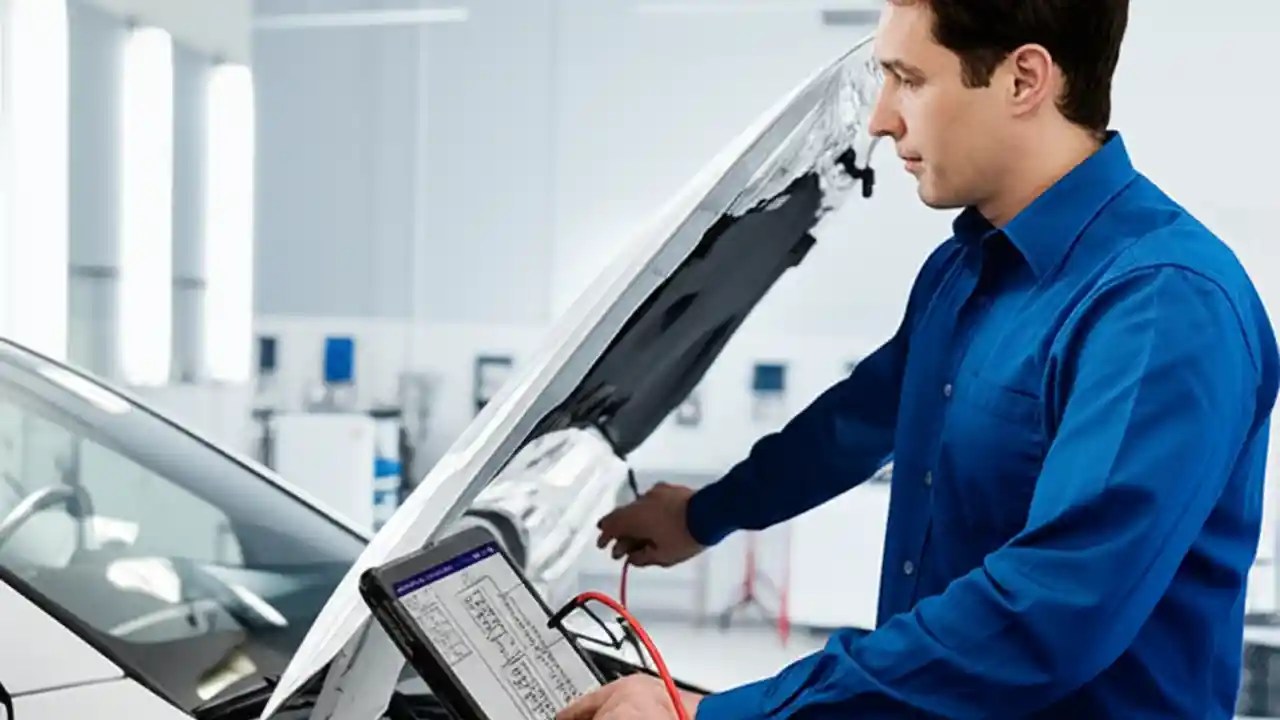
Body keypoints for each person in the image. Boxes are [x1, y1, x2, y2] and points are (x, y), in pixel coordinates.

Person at [557, 0, 1280, 718]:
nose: (880, 118)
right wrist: (705, 515)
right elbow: (859, 421)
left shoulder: (1162, 306)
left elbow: (1050, 613)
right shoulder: (960, 272)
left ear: (1024, 79)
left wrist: (718, 718)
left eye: (909, 79)